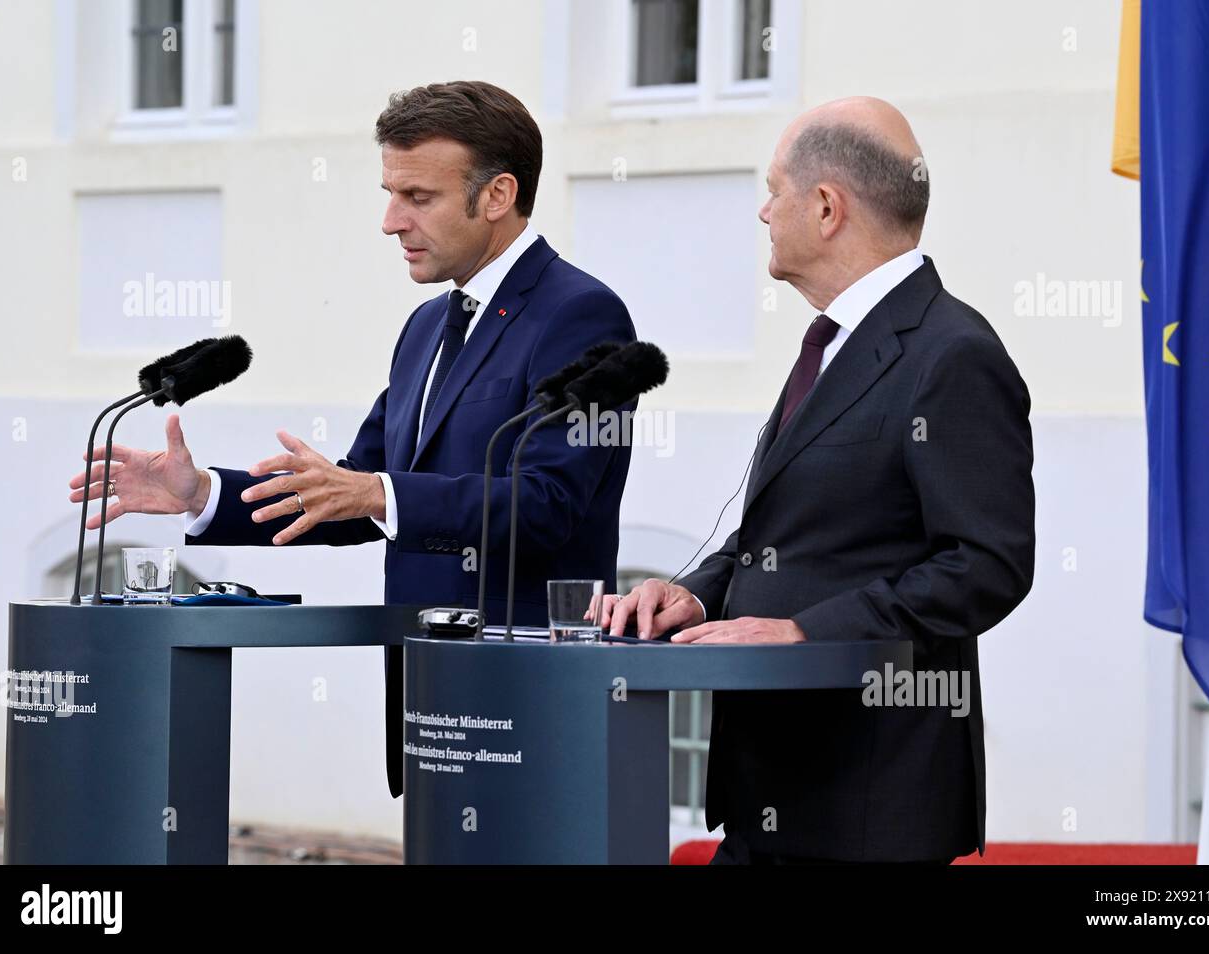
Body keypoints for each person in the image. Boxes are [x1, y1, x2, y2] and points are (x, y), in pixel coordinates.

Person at [69, 81, 636, 799]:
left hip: (529, 702)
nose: (390, 221)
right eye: (389, 193)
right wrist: (206, 492)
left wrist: (376, 493)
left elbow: (546, 505)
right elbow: (352, 491)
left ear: (497, 195)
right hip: (431, 703)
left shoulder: (583, 314)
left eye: (417, 197)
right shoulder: (427, 326)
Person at [600, 97, 1035, 864]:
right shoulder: (833, 339)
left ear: (827, 206)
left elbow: (986, 564)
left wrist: (808, 630)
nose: (764, 211)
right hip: (770, 791)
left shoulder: (952, 353)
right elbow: (788, 535)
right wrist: (696, 592)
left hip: (867, 806)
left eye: (775, 189)